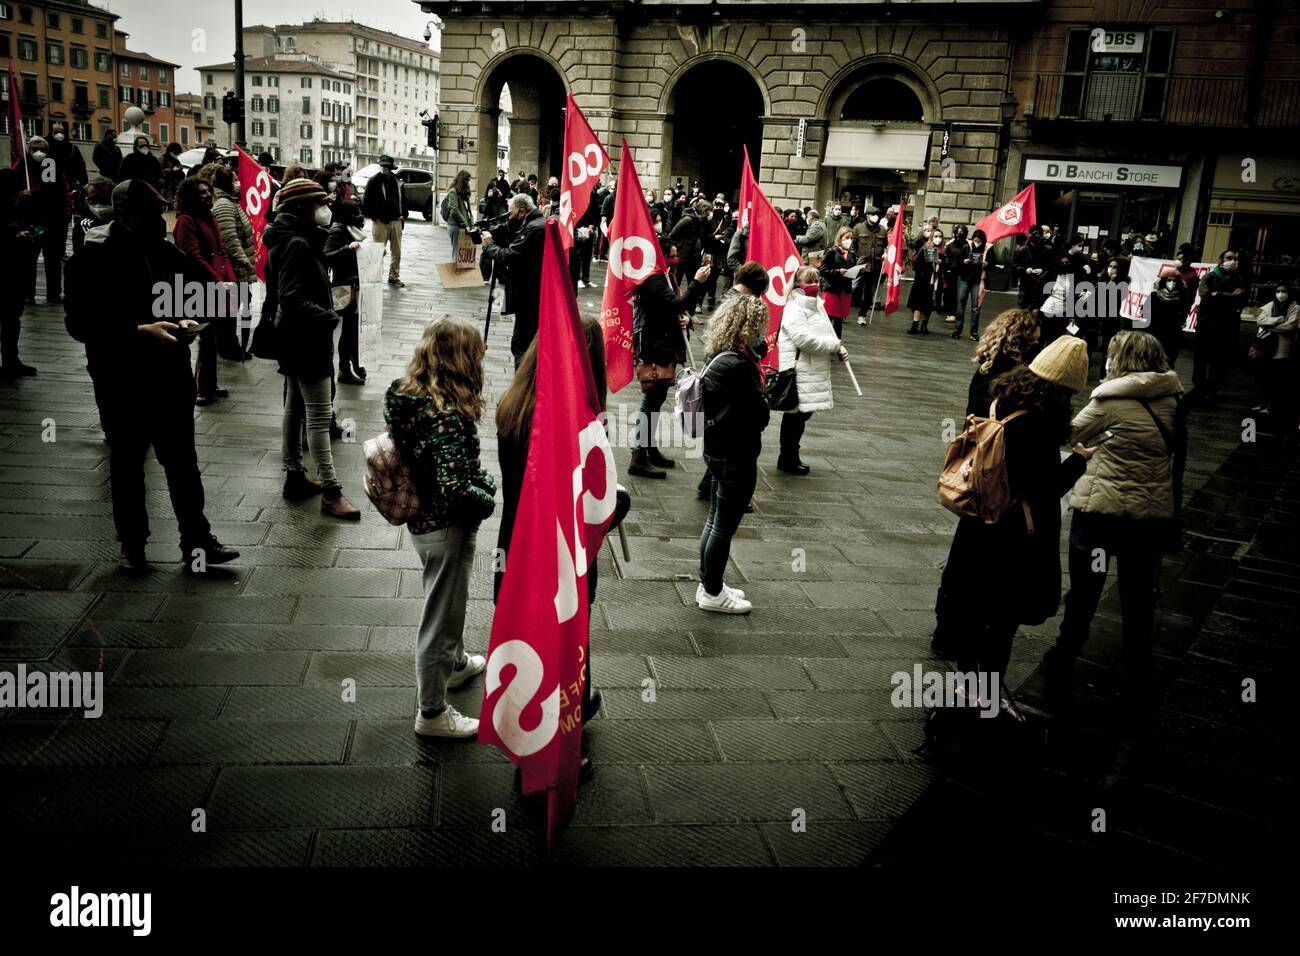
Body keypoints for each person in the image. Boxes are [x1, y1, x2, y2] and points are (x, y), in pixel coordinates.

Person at [64, 178, 239, 574]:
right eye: (150, 212)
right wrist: (138, 330)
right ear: (125, 215)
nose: (159, 219)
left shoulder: (165, 253)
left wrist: (191, 316)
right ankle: (133, 545)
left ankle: (197, 541)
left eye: (161, 210)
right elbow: (80, 324)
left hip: (168, 374)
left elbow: (192, 295)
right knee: (127, 461)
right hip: (119, 377)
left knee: (182, 462)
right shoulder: (92, 257)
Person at [929, 336, 1090, 736]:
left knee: (973, 608)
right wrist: (1079, 463)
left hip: (978, 523)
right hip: (1013, 533)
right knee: (1001, 618)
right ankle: (985, 700)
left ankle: (969, 688)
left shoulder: (1000, 398)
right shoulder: (1037, 423)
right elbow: (1042, 487)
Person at [495, 317, 614, 766]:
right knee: (564, 638)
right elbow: (584, 504)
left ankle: (570, 708)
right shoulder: (573, 422)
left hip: (514, 546)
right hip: (560, 554)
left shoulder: (515, 404)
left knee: (533, 636)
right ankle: (551, 751)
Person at [1045, 331, 1184, 715]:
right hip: (1150, 518)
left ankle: (1063, 657)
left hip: (1101, 517)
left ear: (1122, 361)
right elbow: (1179, 460)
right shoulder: (1173, 400)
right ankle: (1137, 675)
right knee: (1139, 598)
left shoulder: (1108, 402)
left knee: (1085, 594)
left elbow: (1065, 434)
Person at [384, 316, 496, 738]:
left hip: (423, 523)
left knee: (450, 603)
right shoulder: (445, 413)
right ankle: (431, 712)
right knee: (440, 614)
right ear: (461, 360)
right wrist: (487, 496)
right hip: (445, 526)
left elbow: (439, 467)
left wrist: (475, 479)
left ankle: (454, 664)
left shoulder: (405, 394)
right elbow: (454, 488)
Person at [931, 308, 1043, 656]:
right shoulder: (1018, 379)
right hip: (997, 476)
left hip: (976, 469)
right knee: (977, 556)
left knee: (963, 553)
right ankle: (965, 633)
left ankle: (946, 628)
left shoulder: (983, 370)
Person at [264, 178, 360, 520]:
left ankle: (294, 475)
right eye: (320, 203)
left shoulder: (286, 237)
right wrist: (328, 315)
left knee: (293, 408)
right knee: (318, 417)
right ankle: (333, 492)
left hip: (292, 337)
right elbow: (290, 297)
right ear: (304, 208)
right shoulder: (298, 244)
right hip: (307, 338)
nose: (326, 209)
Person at [696, 292, 770, 614]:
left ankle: (709, 583)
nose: (762, 335)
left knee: (714, 520)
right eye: (758, 328)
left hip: (717, 449)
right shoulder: (739, 366)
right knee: (722, 525)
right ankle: (712, 592)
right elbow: (759, 416)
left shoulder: (719, 353)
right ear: (746, 327)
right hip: (735, 452)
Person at [629, 238, 712, 479]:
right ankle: (638, 454)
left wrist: (684, 318)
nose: (675, 260)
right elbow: (676, 304)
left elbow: (674, 309)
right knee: (650, 400)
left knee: (656, 400)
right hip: (656, 346)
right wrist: (697, 282)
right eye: (671, 255)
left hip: (665, 343)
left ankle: (649, 449)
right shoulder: (654, 279)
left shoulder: (664, 275)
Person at [776, 266, 848, 475]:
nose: (814, 286)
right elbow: (804, 340)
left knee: (802, 415)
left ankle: (791, 455)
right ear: (798, 284)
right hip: (799, 368)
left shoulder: (818, 305)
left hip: (813, 368)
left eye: (816, 281)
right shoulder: (794, 308)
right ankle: (787, 457)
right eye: (809, 282)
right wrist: (834, 345)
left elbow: (827, 332)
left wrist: (839, 348)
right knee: (795, 416)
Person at [173, 176, 236, 406]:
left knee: (212, 338)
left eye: (208, 191)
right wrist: (218, 280)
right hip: (197, 286)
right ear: (191, 196)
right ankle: (201, 389)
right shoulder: (186, 220)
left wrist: (230, 278)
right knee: (204, 338)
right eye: (201, 193)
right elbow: (194, 257)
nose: (207, 195)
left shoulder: (211, 219)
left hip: (216, 284)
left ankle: (208, 385)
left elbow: (222, 252)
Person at [481, 193, 546, 367]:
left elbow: (511, 255)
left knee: (520, 345)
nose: (509, 217)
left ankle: (522, 385)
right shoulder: (535, 224)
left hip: (529, 294)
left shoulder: (534, 228)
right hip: (532, 291)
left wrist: (490, 247)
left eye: (511, 213)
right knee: (526, 342)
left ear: (522, 212)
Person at [200, 162, 257, 360]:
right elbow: (229, 237)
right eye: (234, 179)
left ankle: (229, 345)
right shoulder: (224, 205)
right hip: (234, 268)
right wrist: (243, 259)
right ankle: (228, 346)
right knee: (229, 309)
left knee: (234, 306)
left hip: (237, 268)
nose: (238, 183)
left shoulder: (229, 201)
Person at [22, 136, 73, 306]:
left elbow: (54, 191)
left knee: (53, 258)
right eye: (35, 148)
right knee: (29, 259)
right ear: (29, 150)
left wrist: (64, 216)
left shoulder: (50, 166)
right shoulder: (22, 166)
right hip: (31, 221)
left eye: (43, 149)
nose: (39, 152)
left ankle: (53, 293)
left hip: (52, 221)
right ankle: (28, 293)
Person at [964, 308, 1042, 418]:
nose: (1036, 342)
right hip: (991, 423)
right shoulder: (1006, 363)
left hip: (979, 421)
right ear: (1023, 337)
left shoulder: (993, 357)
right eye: (1033, 339)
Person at [1192, 249, 1247, 404]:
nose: (1233, 260)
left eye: (1235, 258)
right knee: (1201, 357)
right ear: (1221, 259)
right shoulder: (1209, 276)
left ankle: (1211, 389)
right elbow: (1206, 296)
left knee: (1218, 359)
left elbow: (1240, 298)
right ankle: (1199, 387)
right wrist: (1228, 297)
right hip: (1206, 323)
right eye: (1229, 257)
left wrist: (1219, 295)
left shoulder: (1239, 279)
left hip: (1225, 326)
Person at [324, 200, 368, 385]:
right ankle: (345, 368)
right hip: (343, 286)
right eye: (356, 212)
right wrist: (347, 249)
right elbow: (327, 255)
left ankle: (354, 364)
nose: (360, 215)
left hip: (353, 284)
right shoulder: (338, 231)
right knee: (349, 329)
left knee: (354, 328)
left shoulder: (350, 228)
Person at [0, 168, 37, 377]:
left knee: (12, 317)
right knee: (10, 317)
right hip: (9, 265)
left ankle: (11, 359)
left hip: (15, 266)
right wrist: (15, 234)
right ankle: (10, 360)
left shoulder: (20, 202)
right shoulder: (8, 204)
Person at [1252, 282, 1298, 420]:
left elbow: (1289, 326)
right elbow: (1260, 320)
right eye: (1278, 291)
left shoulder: (1295, 307)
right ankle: (1262, 403)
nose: (1280, 294)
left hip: (1283, 348)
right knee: (1265, 377)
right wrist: (1277, 320)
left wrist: (1269, 326)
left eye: (1284, 291)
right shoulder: (1271, 305)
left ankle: (1271, 405)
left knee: (1277, 379)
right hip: (1267, 348)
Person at [361, 154, 406, 287]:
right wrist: (373, 216)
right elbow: (366, 201)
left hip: (396, 220)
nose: (384, 169)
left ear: (391, 168)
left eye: (387, 166)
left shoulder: (397, 181)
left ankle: (393, 276)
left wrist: (404, 214)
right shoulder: (373, 181)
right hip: (380, 221)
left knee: (396, 251)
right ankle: (375, 277)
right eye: (383, 166)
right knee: (377, 250)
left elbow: (403, 199)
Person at [819, 227, 856, 339]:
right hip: (832, 290)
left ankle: (837, 343)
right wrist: (838, 271)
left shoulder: (851, 253)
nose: (849, 240)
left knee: (839, 321)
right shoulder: (831, 252)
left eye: (851, 238)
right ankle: (825, 341)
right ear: (840, 238)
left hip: (845, 290)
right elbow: (823, 271)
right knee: (828, 319)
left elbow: (851, 269)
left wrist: (858, 270)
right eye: (847, 237)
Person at [668, 198, 713, 292]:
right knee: (676, 282)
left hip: (694, 258)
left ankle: (692, 305)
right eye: (708, 211)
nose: (709, 214)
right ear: (703, 210)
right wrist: (677, 250)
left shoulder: (702, 222)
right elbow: (672, 235)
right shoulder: (687, 220)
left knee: (694, 283)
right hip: (682, 257)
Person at [952, 227, 989, 340]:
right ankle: (957, 330)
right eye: (975, 240)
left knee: (976, 307)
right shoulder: (966, 246)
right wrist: (964, 261)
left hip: (977, 280)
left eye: (979, 241)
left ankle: (974, 333)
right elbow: (957, 262)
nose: (977, 243)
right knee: (960, 303)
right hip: (964, 278)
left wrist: (987, 264)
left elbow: (993, 264)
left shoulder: (987, 249)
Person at [852, 207, 887, 324]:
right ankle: (844, 313)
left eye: (877, 215)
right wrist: (852, 262)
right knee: (853, 289)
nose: (875, 217)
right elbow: (853, 246)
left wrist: (886, 253)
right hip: (861, 264)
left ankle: (862, 315)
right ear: (867, 215)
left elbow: (886, 246)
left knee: (869, 293)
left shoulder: (882, 230)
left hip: (875, 266)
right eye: (873, 214)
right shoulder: (858, 228)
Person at [907, 226, 944, 335]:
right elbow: (918, 264)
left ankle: (924, 325)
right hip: (923, 280)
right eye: (936, 236)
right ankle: (915, 325)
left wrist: (942, 263)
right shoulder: (926, 248)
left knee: (929, 304)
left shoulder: (942, 250)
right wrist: (932, 263)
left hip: (935, 281)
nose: (938, 238)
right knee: (918, 303)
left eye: (940, 236)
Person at [72, 176, 115, 257]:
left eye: (103, 200)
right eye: (93, 201)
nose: (98, 205)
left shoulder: (121, 223)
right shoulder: (83, 225)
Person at [569, 188, 601, 291]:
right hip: (580, 228)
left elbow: (596, 213)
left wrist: (592, 225)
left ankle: (585, 278)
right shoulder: (577, 195)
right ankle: (578, 278)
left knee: (587, 255)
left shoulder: (593, 195)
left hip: (589, 228)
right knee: (579, 254)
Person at [1014, 225, 1050, 310]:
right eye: (1034, 234)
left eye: (1039, 234)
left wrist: (1042, 269)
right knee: (1023, 311)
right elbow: (1015, 266)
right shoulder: (1022, 250)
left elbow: (1051, 267)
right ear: (1029, 235)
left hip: (1040, 285)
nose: (1036, 236)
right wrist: (1025, 270)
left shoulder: (1047, 249)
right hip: (1025, 285)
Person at [444, 169, 474, 259]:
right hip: (455, 226)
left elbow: (469, 211)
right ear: (462, 180)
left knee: (463, 255)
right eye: (468, 180)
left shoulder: (465, 193)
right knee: (457, 253)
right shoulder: (453, 192)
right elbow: (455, 210)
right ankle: (455, 272)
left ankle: (459, 272)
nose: (469, 183)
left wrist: (471, 224)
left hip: (465, 227)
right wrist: (466, 225)